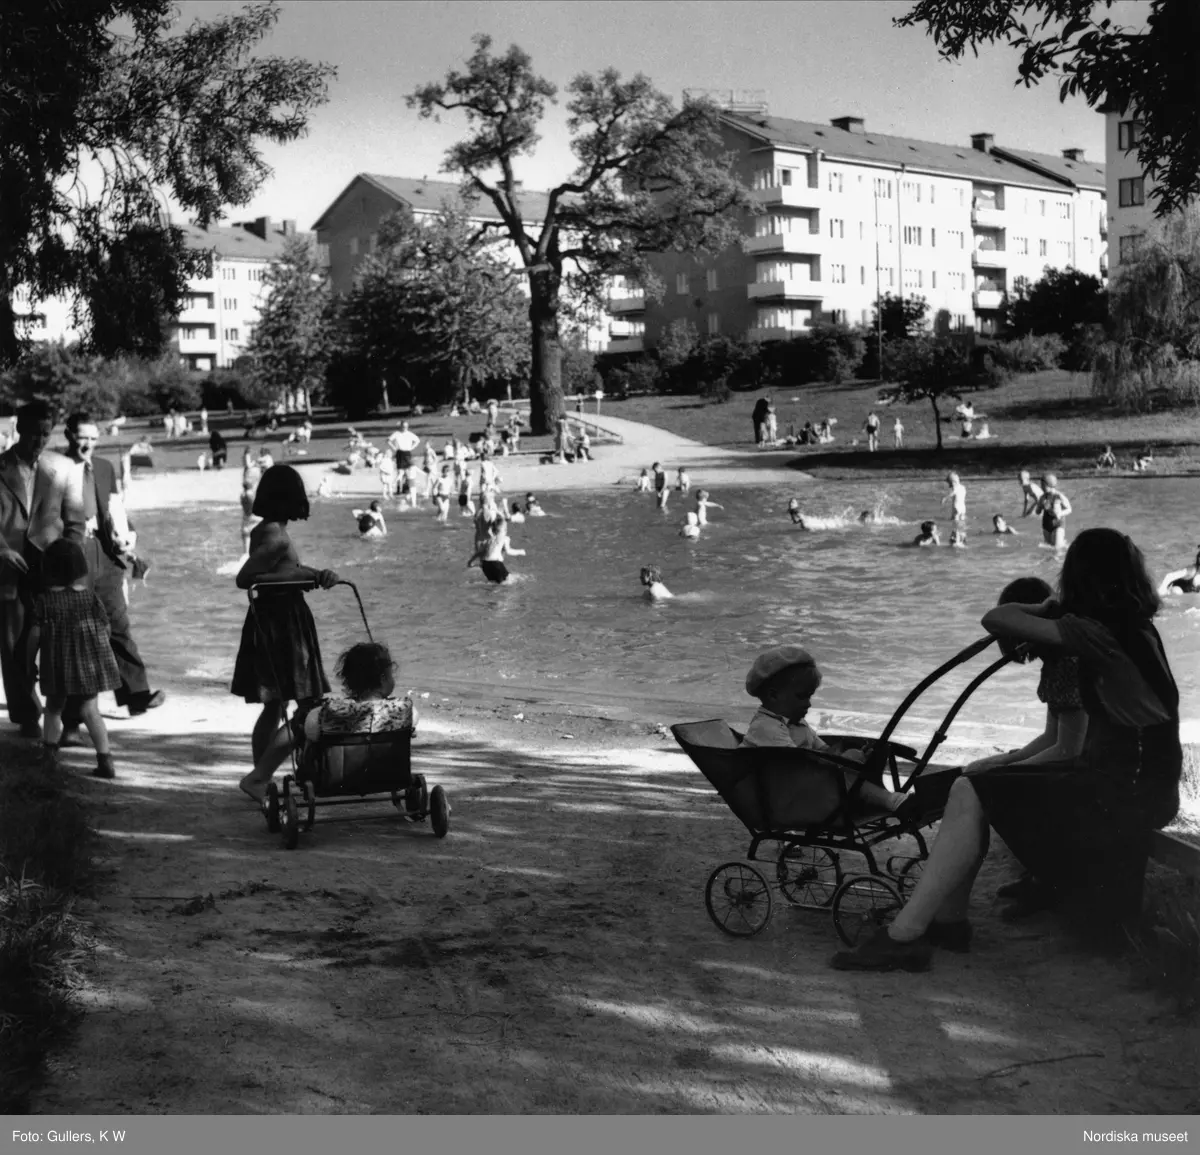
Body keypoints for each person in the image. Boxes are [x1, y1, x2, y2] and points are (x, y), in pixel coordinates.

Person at [832, 529, 1182, 971]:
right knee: (970, 788)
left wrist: (1046, 606)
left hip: (1123, 791)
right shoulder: (1135, 627)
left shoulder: (1093, 633)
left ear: (1078, 577)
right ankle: (941, 924)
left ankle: (910, 933)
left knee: (972, 789)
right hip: (1140, 784)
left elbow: (996, 619)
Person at [232, 465, 338, 803]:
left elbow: (280, 571)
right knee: (309, 707)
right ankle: (259, 776)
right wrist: (304, 579)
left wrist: (313, 574)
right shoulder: (277, 537)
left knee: (273, 706)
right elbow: (247, 578)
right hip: (283, 622)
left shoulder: (264, 529)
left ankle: (260, 778)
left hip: (271, 618)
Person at [61, 413, 166, 730]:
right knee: (77, 635)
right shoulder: (54, 469)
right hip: (71, 553)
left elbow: (115, 511)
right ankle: (71, 711)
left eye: (93, 437)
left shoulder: (104, 468)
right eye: (83, 437)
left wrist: (128, 541)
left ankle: (136, 695)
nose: (88, 443)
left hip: (106, 555)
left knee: (118, 624)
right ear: (69, 435)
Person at [742, 646, 914, 817]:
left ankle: (888, 800)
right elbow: (796, 765)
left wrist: (851, 756)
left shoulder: (798, 724)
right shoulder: (766, 728)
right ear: (773, 696)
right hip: (780, 798)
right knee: (840, 775)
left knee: (847, 765)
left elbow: (824, 752)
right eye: (801, 697)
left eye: (810, 696)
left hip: (799, 790)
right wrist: (841, 762)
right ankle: (891, 801)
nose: (808, 704)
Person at [0, 402, 86, 738]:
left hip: (53, 569)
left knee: (64, 644)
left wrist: (69, 567)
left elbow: (75, 523)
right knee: (14, 646)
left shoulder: (64, 467)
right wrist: (2, 550)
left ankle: (72, 719)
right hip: (9, 570)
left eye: (45, 434)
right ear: (19, 429)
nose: (39, 440)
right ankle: (26, 715)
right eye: (34, 432)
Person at [35, 539, 120, 778]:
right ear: (80, 568)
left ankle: (50, 758)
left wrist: (29, 658)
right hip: (88, 666)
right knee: (91, 711)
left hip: (57, 666)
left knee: (53, 708)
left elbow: (34, 634)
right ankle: (105, 760)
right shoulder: (91, 598)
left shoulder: (44, 601)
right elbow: (106, 628)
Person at [467, 514, 525, 584]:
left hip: (485, 565)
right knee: (510, 581)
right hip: (496, 564)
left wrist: (470, 561)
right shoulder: (505, 539)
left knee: (493, 583)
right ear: (505, 530)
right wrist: (520, 551)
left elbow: (479, 552)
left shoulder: (488, 540)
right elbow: (509, 551)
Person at [1037, 474, 1072, 549]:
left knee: (1057, 548)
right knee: (1048, 547)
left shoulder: (1059, 496)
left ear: (1049, 485)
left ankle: (1066, 548)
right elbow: (1038, 512)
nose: (1041, 487)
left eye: (1043, 485)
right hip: (1046, 525)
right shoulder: (1043, 497)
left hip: (1058, 524)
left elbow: (1069, 509)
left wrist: (1060, 513)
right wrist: (1040, 505)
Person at [240, 479, 259, 557]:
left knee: (246, 553)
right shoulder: (250, 494)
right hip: (254, 520)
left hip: (245, 519)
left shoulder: (242, 494)